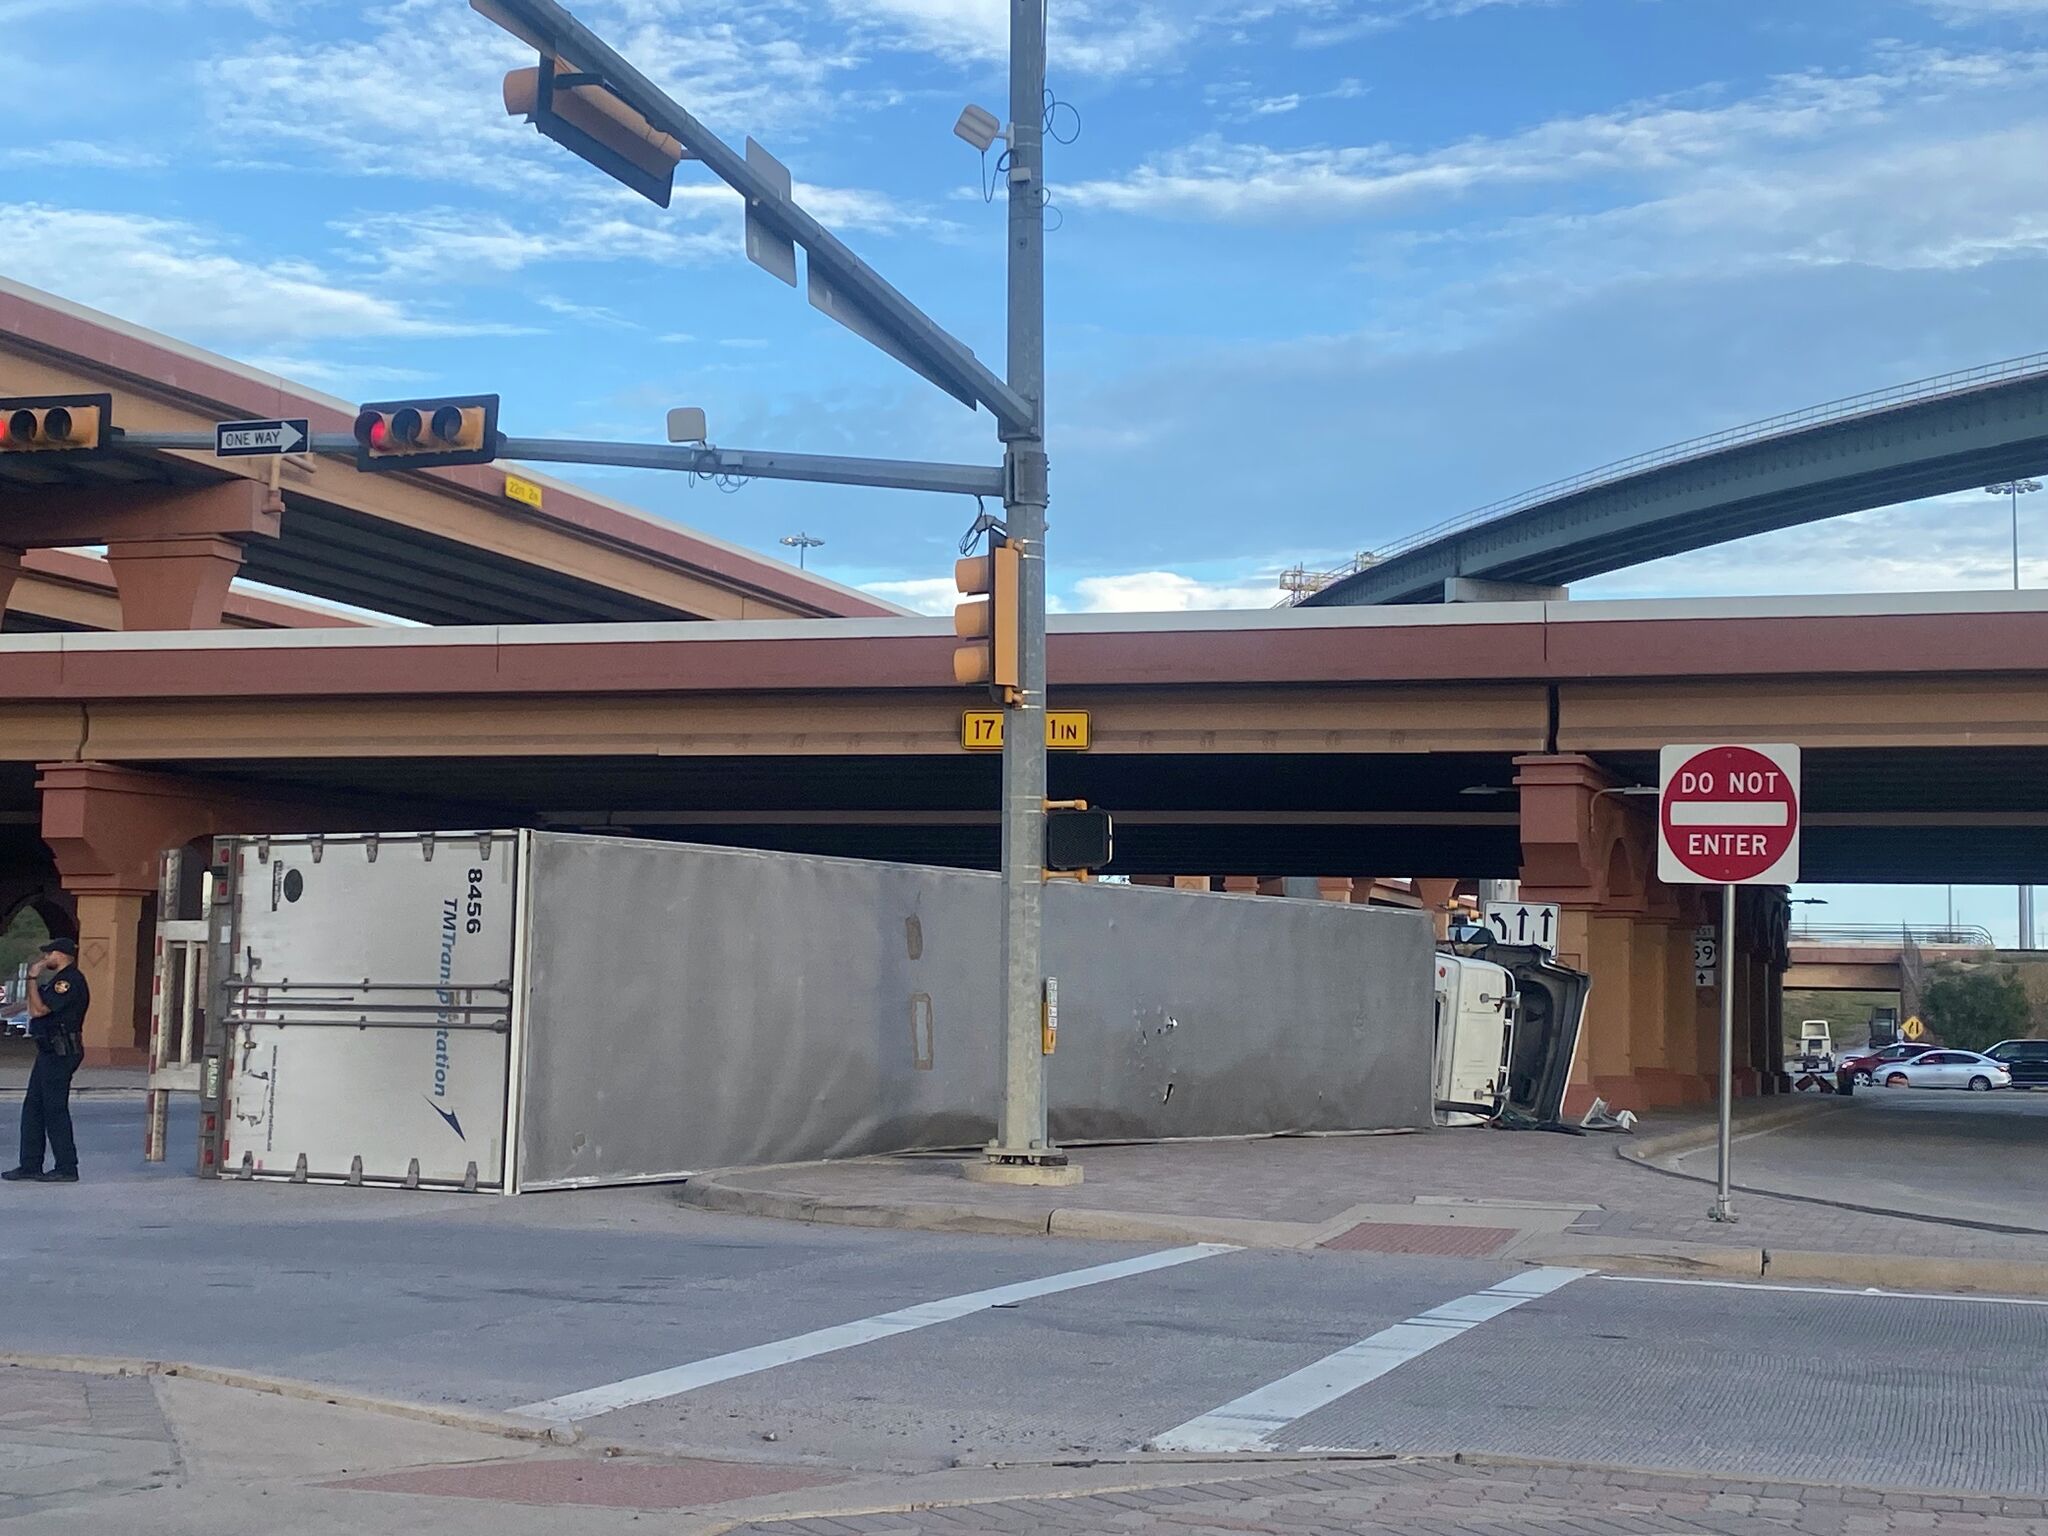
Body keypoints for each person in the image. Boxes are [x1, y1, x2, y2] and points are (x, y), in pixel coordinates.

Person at [5, 938, 90, 1184]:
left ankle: (66, 1166)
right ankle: (30, 1164)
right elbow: (34, 1009)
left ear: (61, 954)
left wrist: (32, 978)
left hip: (62, 1050)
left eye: (48, 953)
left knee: (54, 1109)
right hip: (48, 1050)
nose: (44, 959)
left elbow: (41, 1010)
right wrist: (34, 983)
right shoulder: (54, 981)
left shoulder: (69, 981)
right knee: (33, 1107)